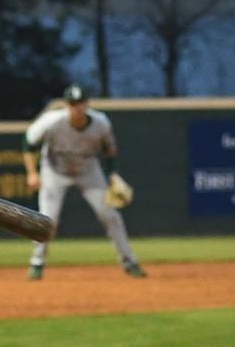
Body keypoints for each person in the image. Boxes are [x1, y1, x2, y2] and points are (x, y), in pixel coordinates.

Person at [22, 84, 145, 280]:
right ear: (66, 105)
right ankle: (37, 262)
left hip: (88, 170)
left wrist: (113, 175)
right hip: (55, 171)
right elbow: (28, 143)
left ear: (87, 104)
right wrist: (32, 173)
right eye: (73, 104)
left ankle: (129, 261)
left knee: (110, 215)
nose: (77, 107)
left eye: (80, 103)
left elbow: (109, 151)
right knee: (47, 219)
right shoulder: (52, 121)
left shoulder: (101, 123)